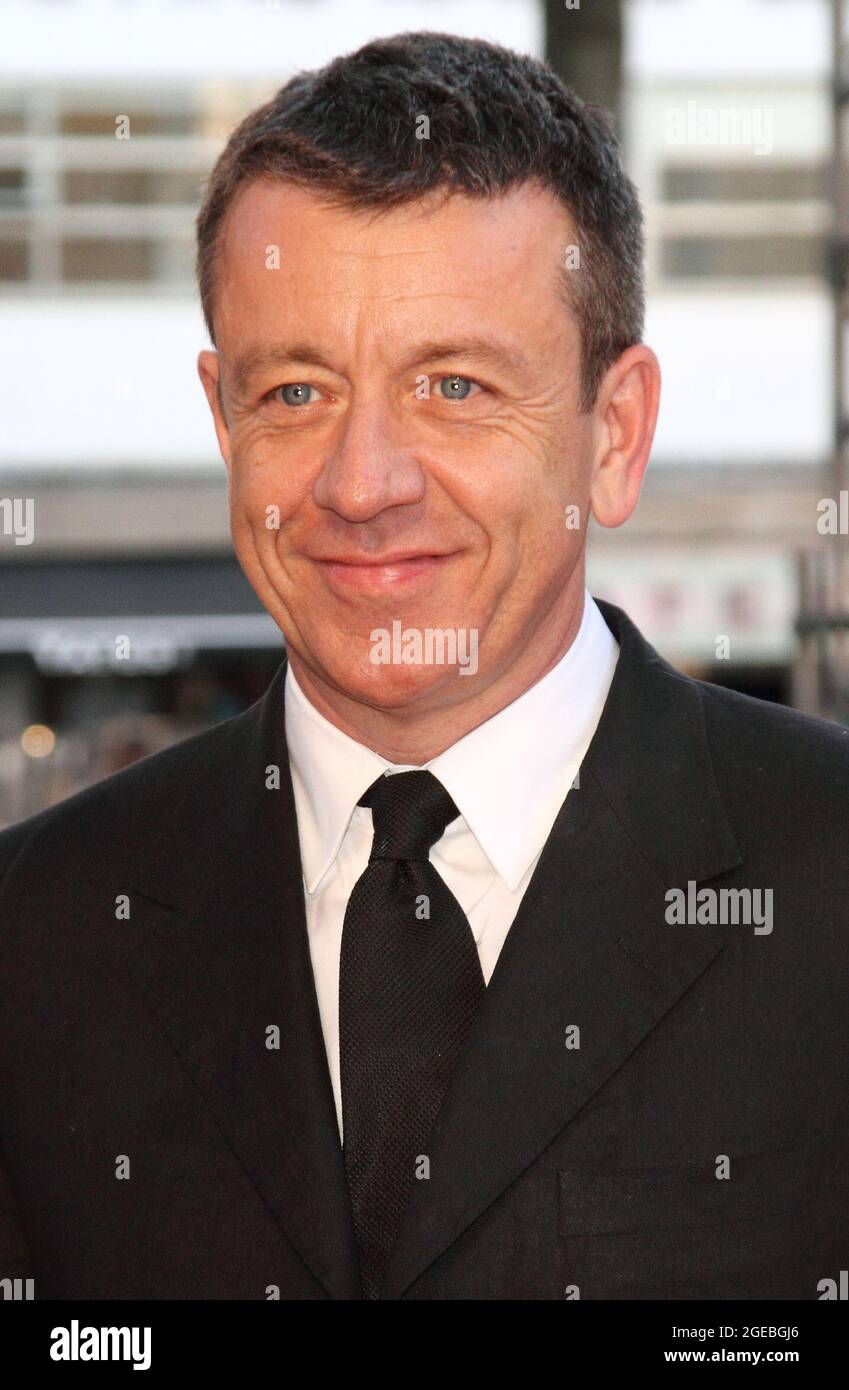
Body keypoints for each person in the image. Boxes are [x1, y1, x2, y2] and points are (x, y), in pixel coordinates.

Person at [0, 31, 846, 1302]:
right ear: (220, 415)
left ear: (614, 436)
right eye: (295, 393)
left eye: (452, 384)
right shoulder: (40, 933)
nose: (362, 484)